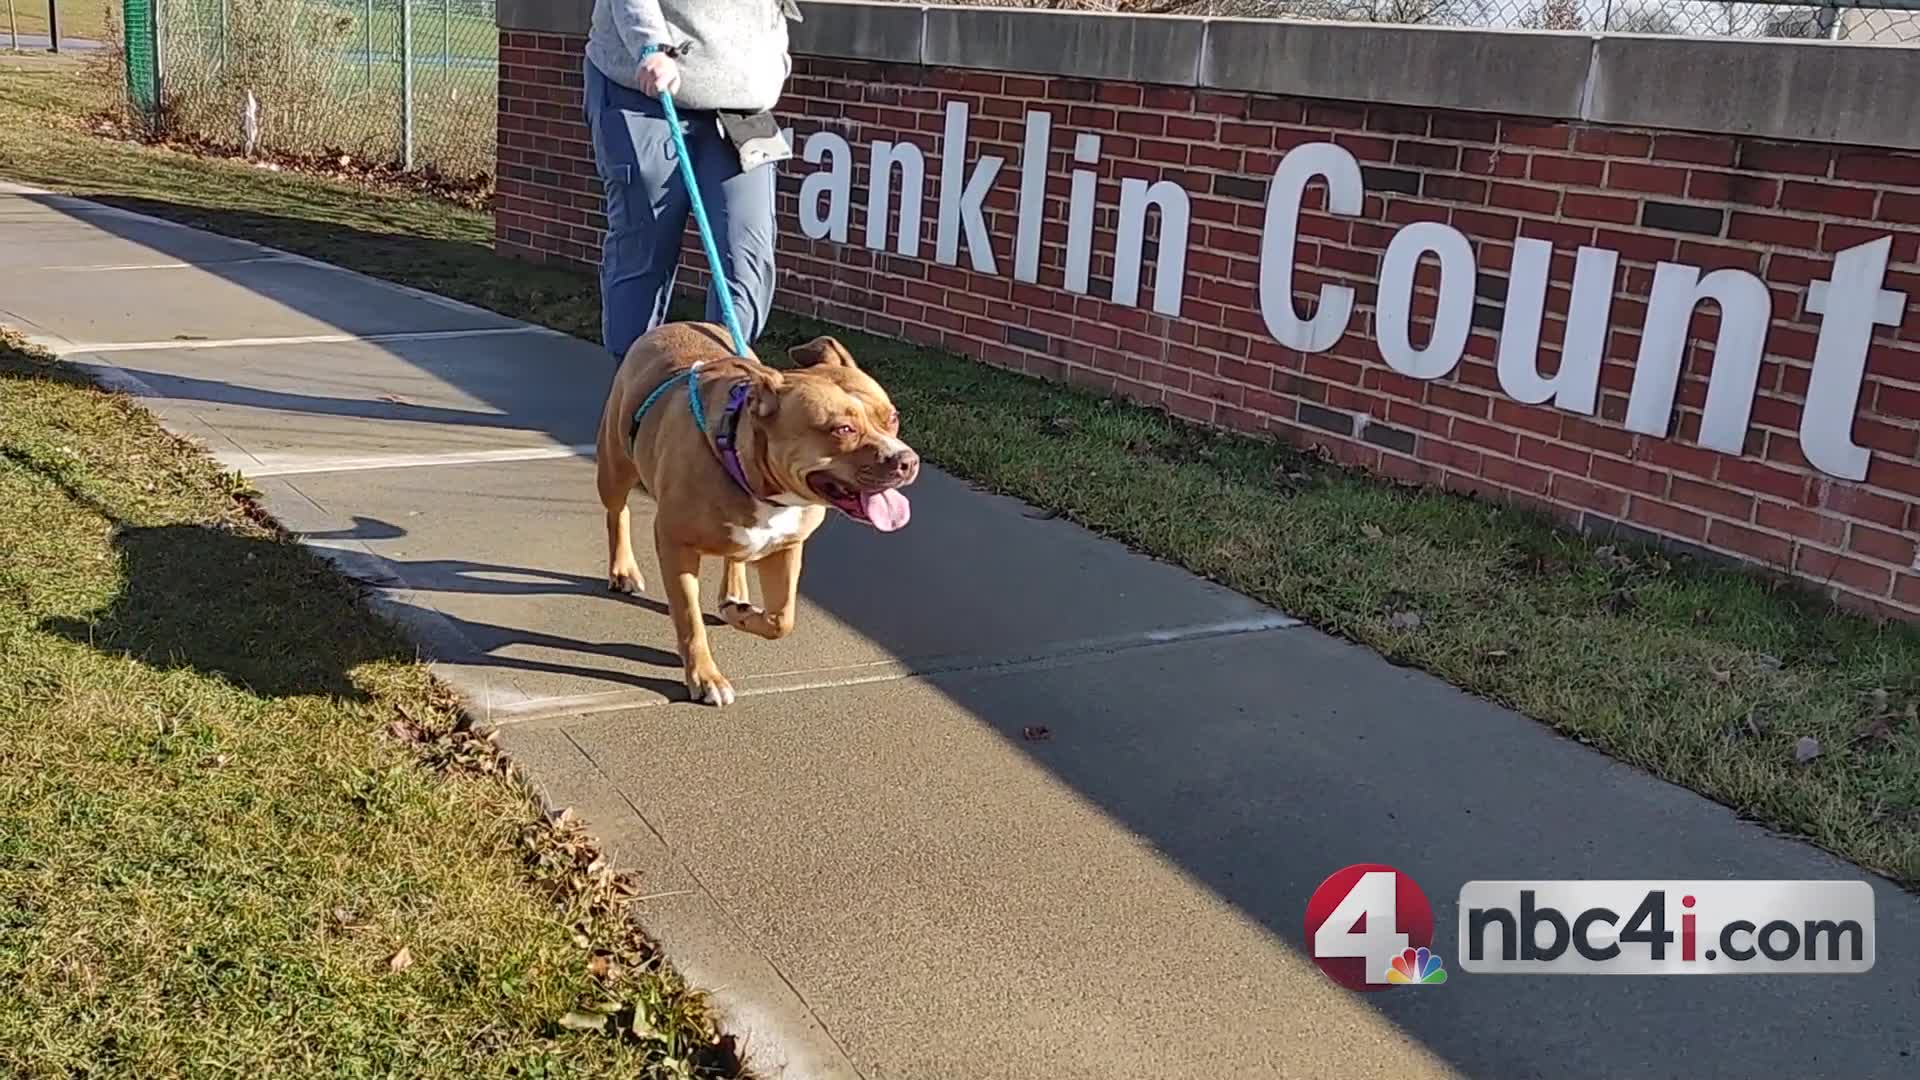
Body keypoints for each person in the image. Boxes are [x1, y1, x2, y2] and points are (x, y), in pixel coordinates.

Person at [584, 0, 800, 363]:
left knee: (746, 254)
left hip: (742, 104)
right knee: (644, 246)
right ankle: (636, 391)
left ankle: (724, 384)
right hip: (645, 90)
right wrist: (650, 45)